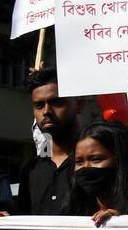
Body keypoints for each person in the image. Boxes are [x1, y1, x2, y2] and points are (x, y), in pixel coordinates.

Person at [15, 68, 80, 215]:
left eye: (56, 102)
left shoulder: (96, 163)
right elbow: (24, 227)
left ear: (79, 104)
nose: (46, 111)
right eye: (39, 105)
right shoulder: (31, 170)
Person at [67, 122, 128, 225]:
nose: (86, 168)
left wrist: (120, 224)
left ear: (120, 161)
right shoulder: (71, 211)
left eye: (96, 159)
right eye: (79, 162)